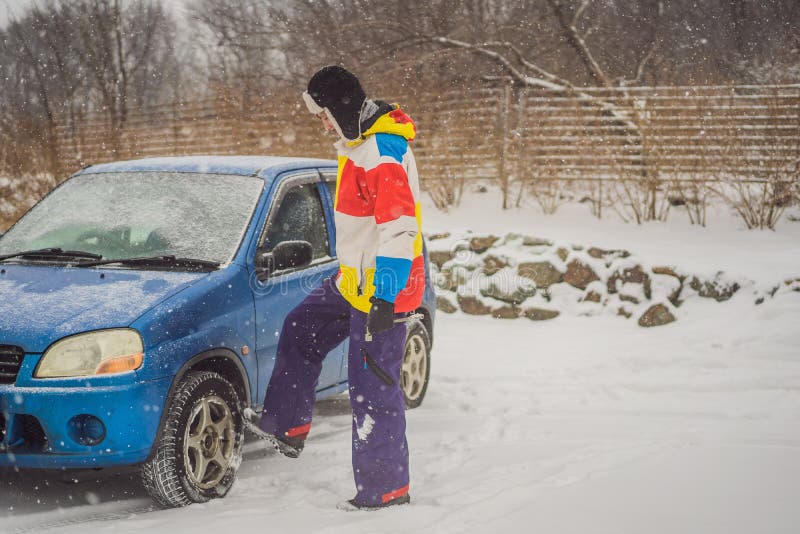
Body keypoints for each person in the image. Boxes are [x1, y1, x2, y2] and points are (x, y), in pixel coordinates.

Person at [246, 65, 425, 511]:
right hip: (353, 283)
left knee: (373, 391)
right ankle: (286, 424)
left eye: (323, 112)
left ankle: (384, 490)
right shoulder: (357, 144)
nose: (321, 122)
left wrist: (385, 293)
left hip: (384, 290)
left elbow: (399, 228)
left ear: (339, 106)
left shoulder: (382, 152)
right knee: (301, 326)